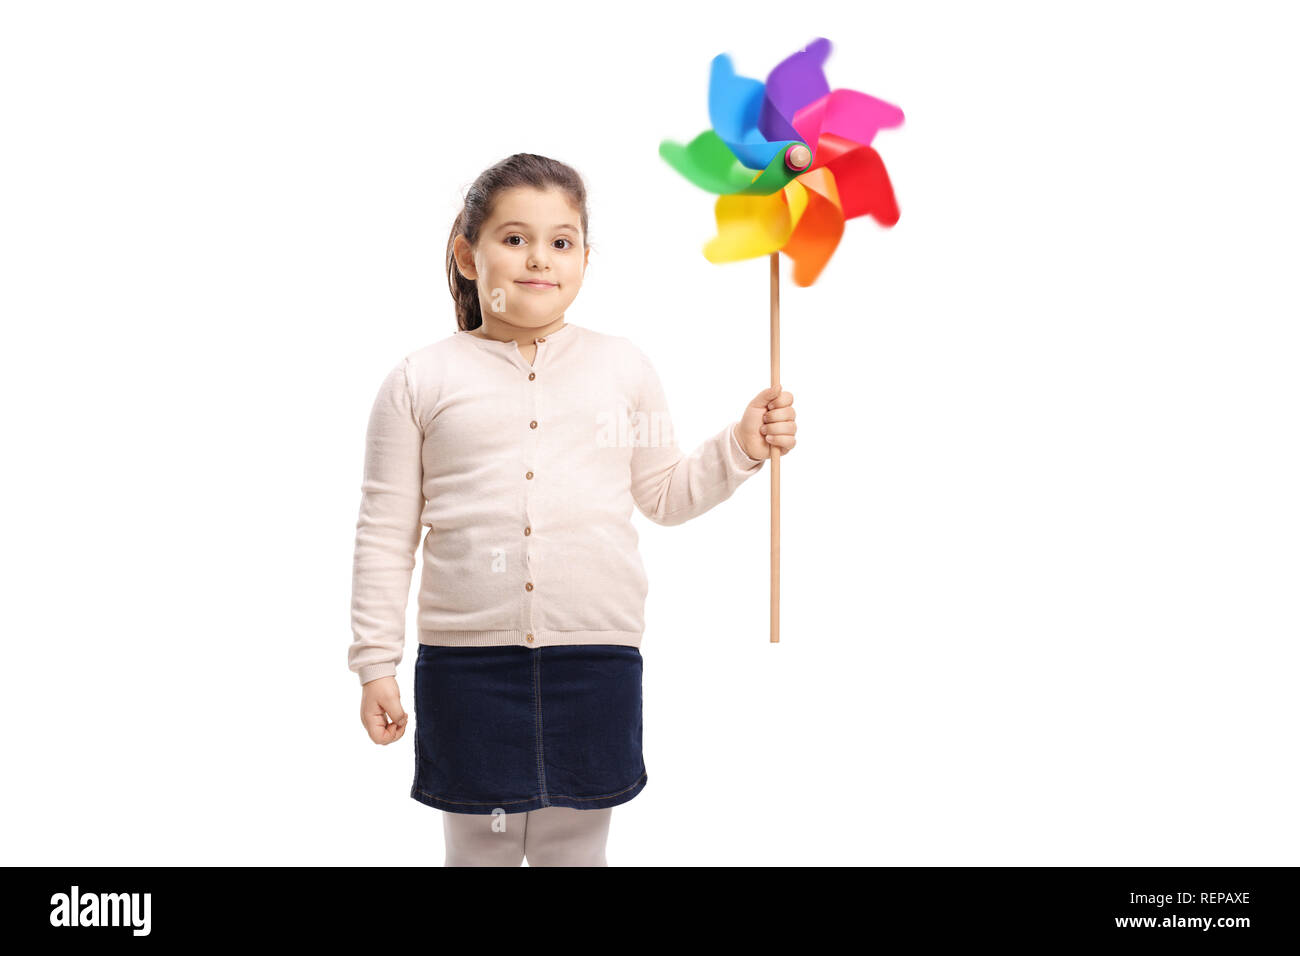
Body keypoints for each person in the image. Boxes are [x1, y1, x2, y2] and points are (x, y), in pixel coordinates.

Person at [348, 152, 798, 866]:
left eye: (561, 242)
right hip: (468, 667)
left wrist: (740, 446)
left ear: (587, 258)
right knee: (479, 852)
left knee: (573, 853)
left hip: (594, 660)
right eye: (514, 237)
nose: (539, 258)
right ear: (469, 254)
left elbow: (665, 495)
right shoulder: (419, 380)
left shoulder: (622, 367)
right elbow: (384, 534)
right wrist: (376, 661)